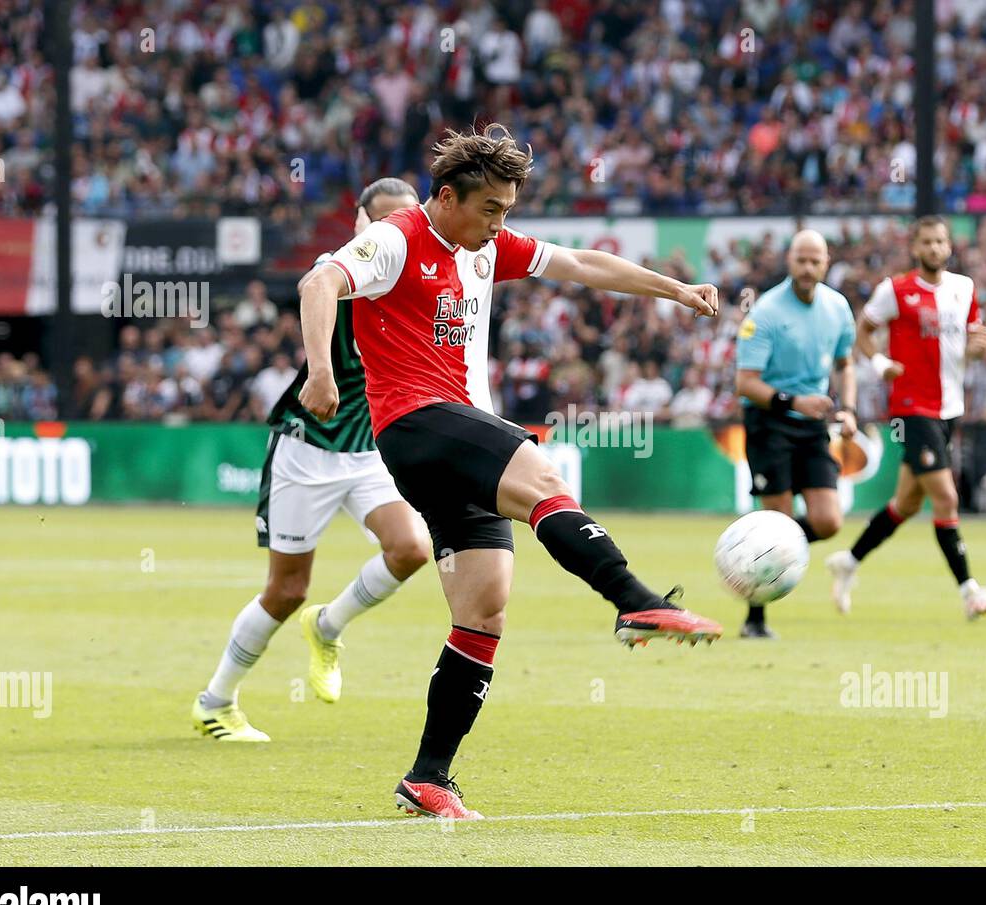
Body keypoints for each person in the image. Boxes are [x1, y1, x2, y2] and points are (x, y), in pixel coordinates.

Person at [298, 125, 723, 819]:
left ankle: (428, 777)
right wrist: (322, 370)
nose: (501, 225)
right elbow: (319, 281)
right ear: (446, 198)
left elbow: (584, 264)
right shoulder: (399, 239)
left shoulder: (487, 246)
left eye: (508, 210)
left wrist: (673, 288)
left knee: (482, 611)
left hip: (454, 440)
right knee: (546, 484)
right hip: (418, 423)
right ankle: (635, 601)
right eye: (490, 209)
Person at [192, 178, 431, 742]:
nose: (399, 230)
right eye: (385, 220)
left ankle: (328, 626)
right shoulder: (343, 264)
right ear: (360, 224)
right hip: (308, 450)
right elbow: (313, 281)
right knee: (286, 589)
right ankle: (215, 701)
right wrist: (321, 371)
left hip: (369, 449)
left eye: (408, 218)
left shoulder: (423, 272)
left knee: (412, 548)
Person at [825, 216, 986, 621]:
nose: (934, 248)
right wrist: (877, 361)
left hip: (949, 408)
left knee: (906, 503)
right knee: (946, 498)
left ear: (949, 246)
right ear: (915, 247)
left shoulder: (964, 289)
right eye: (926, 242)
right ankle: (970, 593)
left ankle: (850, 561)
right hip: (911, 408)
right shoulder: (895, 290)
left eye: (940, 241)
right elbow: (864, 329)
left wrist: (979, 347)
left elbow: (971, 344)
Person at [734, 229, 856, 639]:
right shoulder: (766, 312)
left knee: (828, 520)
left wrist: (850, 410)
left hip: (813, 427)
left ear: (826, 263)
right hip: (771, 422)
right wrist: (794, 402)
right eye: (801, 260)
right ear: (789, 261)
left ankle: (755, 549)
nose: (808, 268)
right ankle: (755, 621)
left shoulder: (837, 307)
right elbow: (746, 383)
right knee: (777, 518)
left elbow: (846, 363)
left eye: (815, 261)